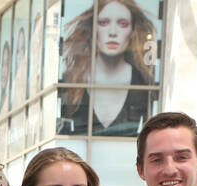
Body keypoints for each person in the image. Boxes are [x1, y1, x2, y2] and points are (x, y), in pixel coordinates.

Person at [60, 1, 157, 136]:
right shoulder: (72, 81)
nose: (112, 32)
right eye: (104, 22)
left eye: (123, 24)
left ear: (132, 31)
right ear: (93, 28)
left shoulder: (143, 84)